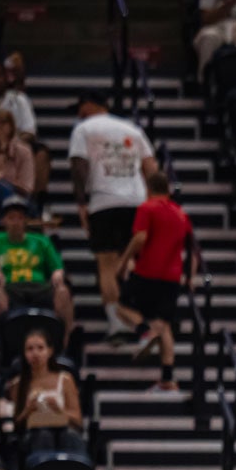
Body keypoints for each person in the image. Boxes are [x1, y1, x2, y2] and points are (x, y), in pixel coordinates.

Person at [68, 88, 158, 342]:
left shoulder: (83, 129)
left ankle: (118, 322)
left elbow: (78, 166)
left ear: (88, 104)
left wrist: (81, 203)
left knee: (106, 264)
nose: (78, 114)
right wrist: (155, 203)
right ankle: (140, 318)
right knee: (133, 261)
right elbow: (151, 168)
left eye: (79, 108)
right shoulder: (132, 129)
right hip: (137, 201)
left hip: (104, 200)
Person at [115, 171, 195, 394]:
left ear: (148, 189)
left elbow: (140, 238)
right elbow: (192, 250)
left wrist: (123, 263)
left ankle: (144, 331)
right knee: (165, 325)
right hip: (172, 277)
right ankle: (168, 379)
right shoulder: (181, 213)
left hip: (147, 271)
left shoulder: (147, 208)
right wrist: (190, 277)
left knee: (121, 308)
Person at [0, 197, 74, 334]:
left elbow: (58, 268)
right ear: (3, 221)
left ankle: (64, 344)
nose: (16, 222)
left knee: (63, 292)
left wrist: (58, 273)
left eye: (20, 218)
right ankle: (1, 344)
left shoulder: (41, 241)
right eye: (11, 218)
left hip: (39, 286)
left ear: (26, 221)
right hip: (9, 286)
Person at [8, 329, 85, 452]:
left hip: (64, 430)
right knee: (44, 435)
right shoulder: (18, 383)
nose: (35, 353)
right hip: (34, 434)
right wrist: (28, 410)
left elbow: (78, 421)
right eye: (30, 349)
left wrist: (59, 410)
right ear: (24, 353)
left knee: (69, 436)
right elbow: (16, 425)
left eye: (40, 348)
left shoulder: (65, 379)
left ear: (50, 351)